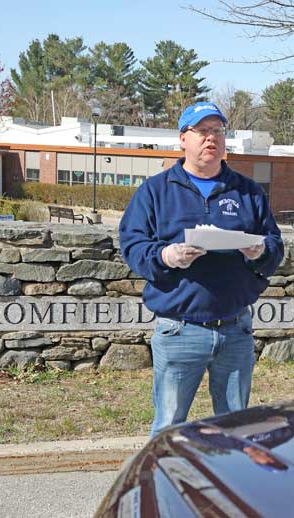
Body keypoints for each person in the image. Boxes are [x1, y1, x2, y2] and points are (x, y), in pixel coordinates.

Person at [119, 102, 284, 437]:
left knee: (237, 429)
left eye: (218, 132)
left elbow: (275, 247)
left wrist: (259, 250)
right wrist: (166, 256)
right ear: (183, 139)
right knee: (168, 429)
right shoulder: (155, 191)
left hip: (235, 330)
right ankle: (164, 488)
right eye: (203, 131)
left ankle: (229, 488)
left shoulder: (248, 191)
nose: (212, 139)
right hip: (180, 330)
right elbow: (132, 246)